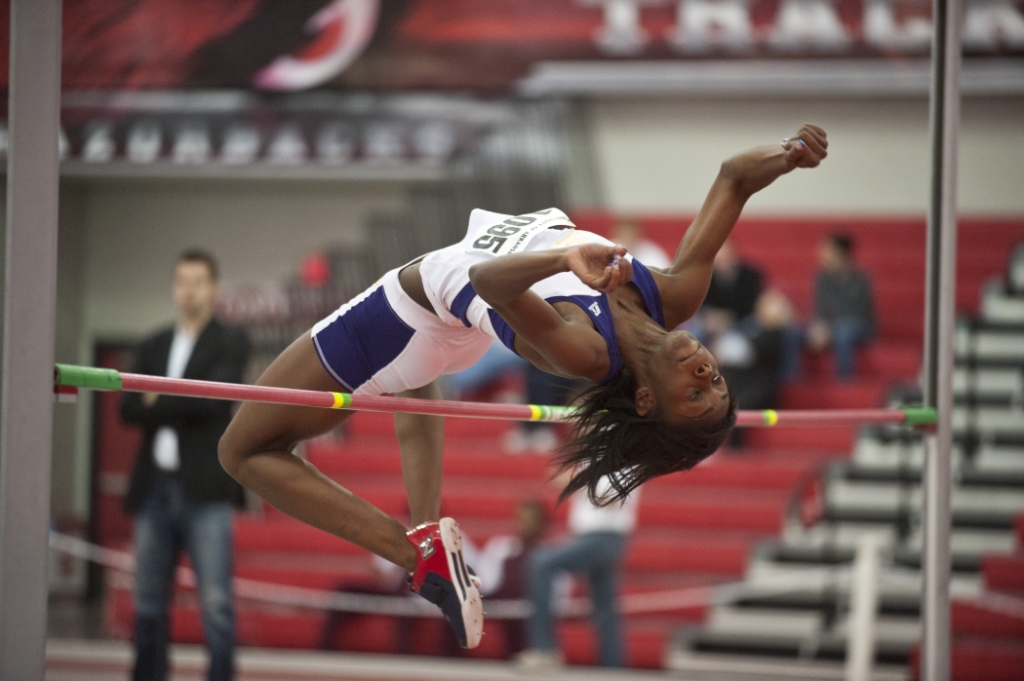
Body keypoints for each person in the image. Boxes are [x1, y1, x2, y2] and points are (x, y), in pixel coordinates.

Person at [217, 125, 828, 649]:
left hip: (410, 314)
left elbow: (491, 281)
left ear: (647, 400)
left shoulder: (586, 351)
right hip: (451, 322)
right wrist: (788, 152)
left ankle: (412, 555)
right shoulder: (674, 296)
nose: (704, 372)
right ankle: (429, 537)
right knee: (415, 382)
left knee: (243, 450)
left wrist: (562, 262)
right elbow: (733, 179)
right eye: (715, 381)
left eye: (695, 395)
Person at [120, 250, 250, 681]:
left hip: (206, 488)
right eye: (182, 281)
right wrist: (182, 398)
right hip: (153, 487)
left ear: (213, 288)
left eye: (197, 281)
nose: (188, 289)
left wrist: (156, 400)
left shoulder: (230, 341)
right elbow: (127, 409)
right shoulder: (153, 344)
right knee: (148, 601)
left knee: (216, 602)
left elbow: (213, 402)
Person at [517, 475, 638, 669]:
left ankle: (544, 648)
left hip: (603, 537)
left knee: (542, 563)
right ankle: (613, 666)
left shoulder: (622, 461)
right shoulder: (595, 462)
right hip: (592, 537)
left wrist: (576, 483)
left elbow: (614, 499)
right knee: (604, 607)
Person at [805, 233, 876, 379]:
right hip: (832, 325)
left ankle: (845, 382)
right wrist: (818, 325)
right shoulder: (822, 278)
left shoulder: (860, 278)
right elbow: (820, 308)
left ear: (841, 253)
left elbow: (857, 311)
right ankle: (793, 380)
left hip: (859, 325)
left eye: (828, 251)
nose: (823, 256)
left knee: (842, 332)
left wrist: (828, 325)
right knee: (794, 333)